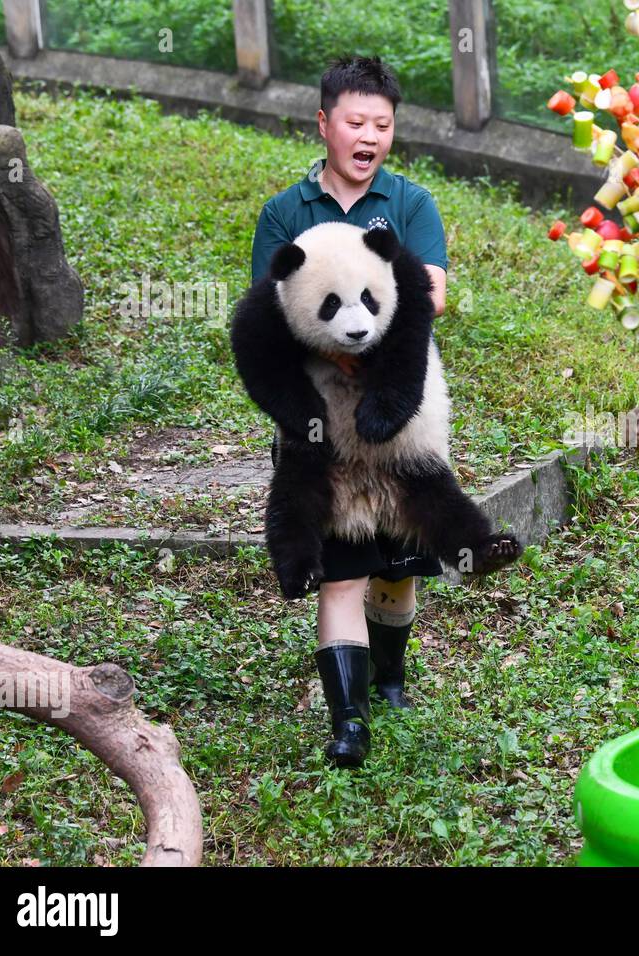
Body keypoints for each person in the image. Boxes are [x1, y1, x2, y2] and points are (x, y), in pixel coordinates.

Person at [250, 55, 448, 768]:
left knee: (396, 566)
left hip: (402, 419)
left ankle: (390, 674)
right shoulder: (285, 212)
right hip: (319, 423)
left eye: (383, 124)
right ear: (324, 123)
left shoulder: (410, 204)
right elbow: (269, 312)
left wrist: (371, 351)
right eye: (356, 122)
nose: (370, 135)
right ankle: (350, 720)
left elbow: (433, 295)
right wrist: (335, 353)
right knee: (340, 572)